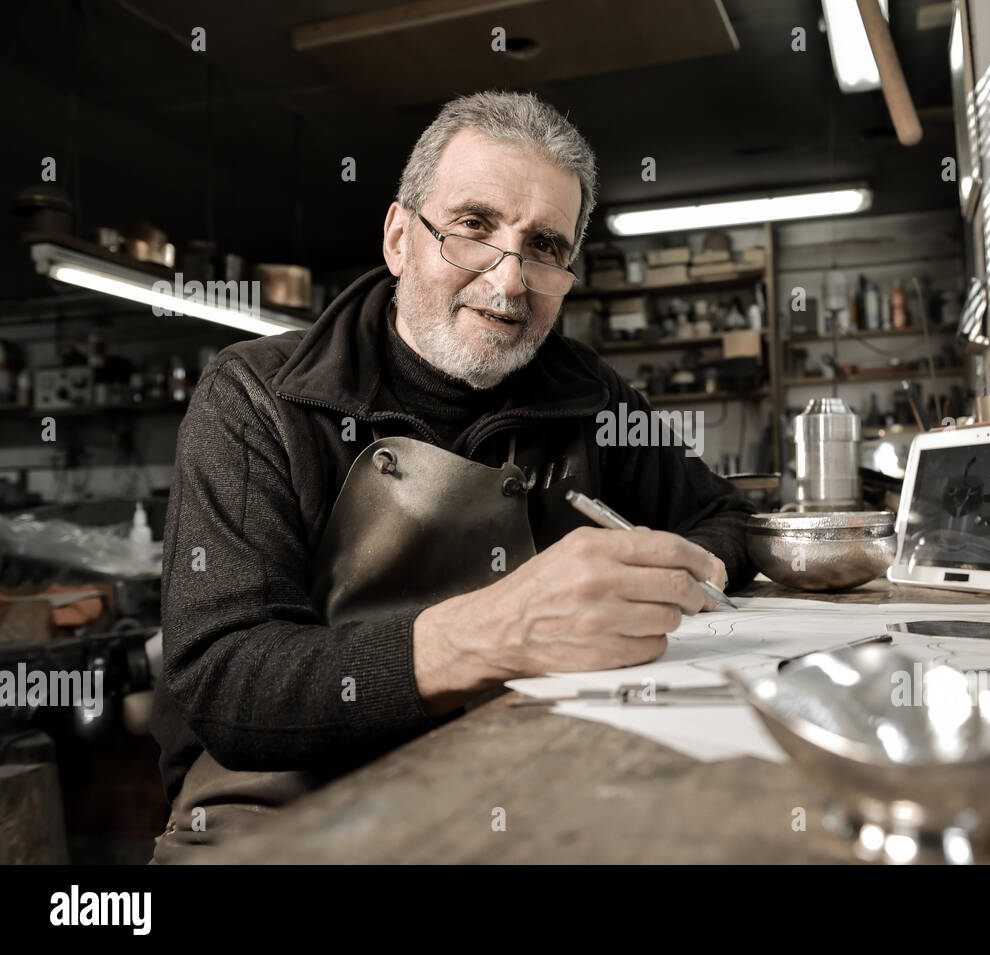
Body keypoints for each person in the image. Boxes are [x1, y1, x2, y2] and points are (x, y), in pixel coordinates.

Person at [148, 90, 757, 862]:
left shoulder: (589, 395)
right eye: (473, 227)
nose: (509, 284)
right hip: (283, 815)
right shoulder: (256, 397)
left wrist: (670, 573)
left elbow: (727, 519)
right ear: (400, 237)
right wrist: (495, 633)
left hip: (515, 786)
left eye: (544, 248)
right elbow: (226, 682)